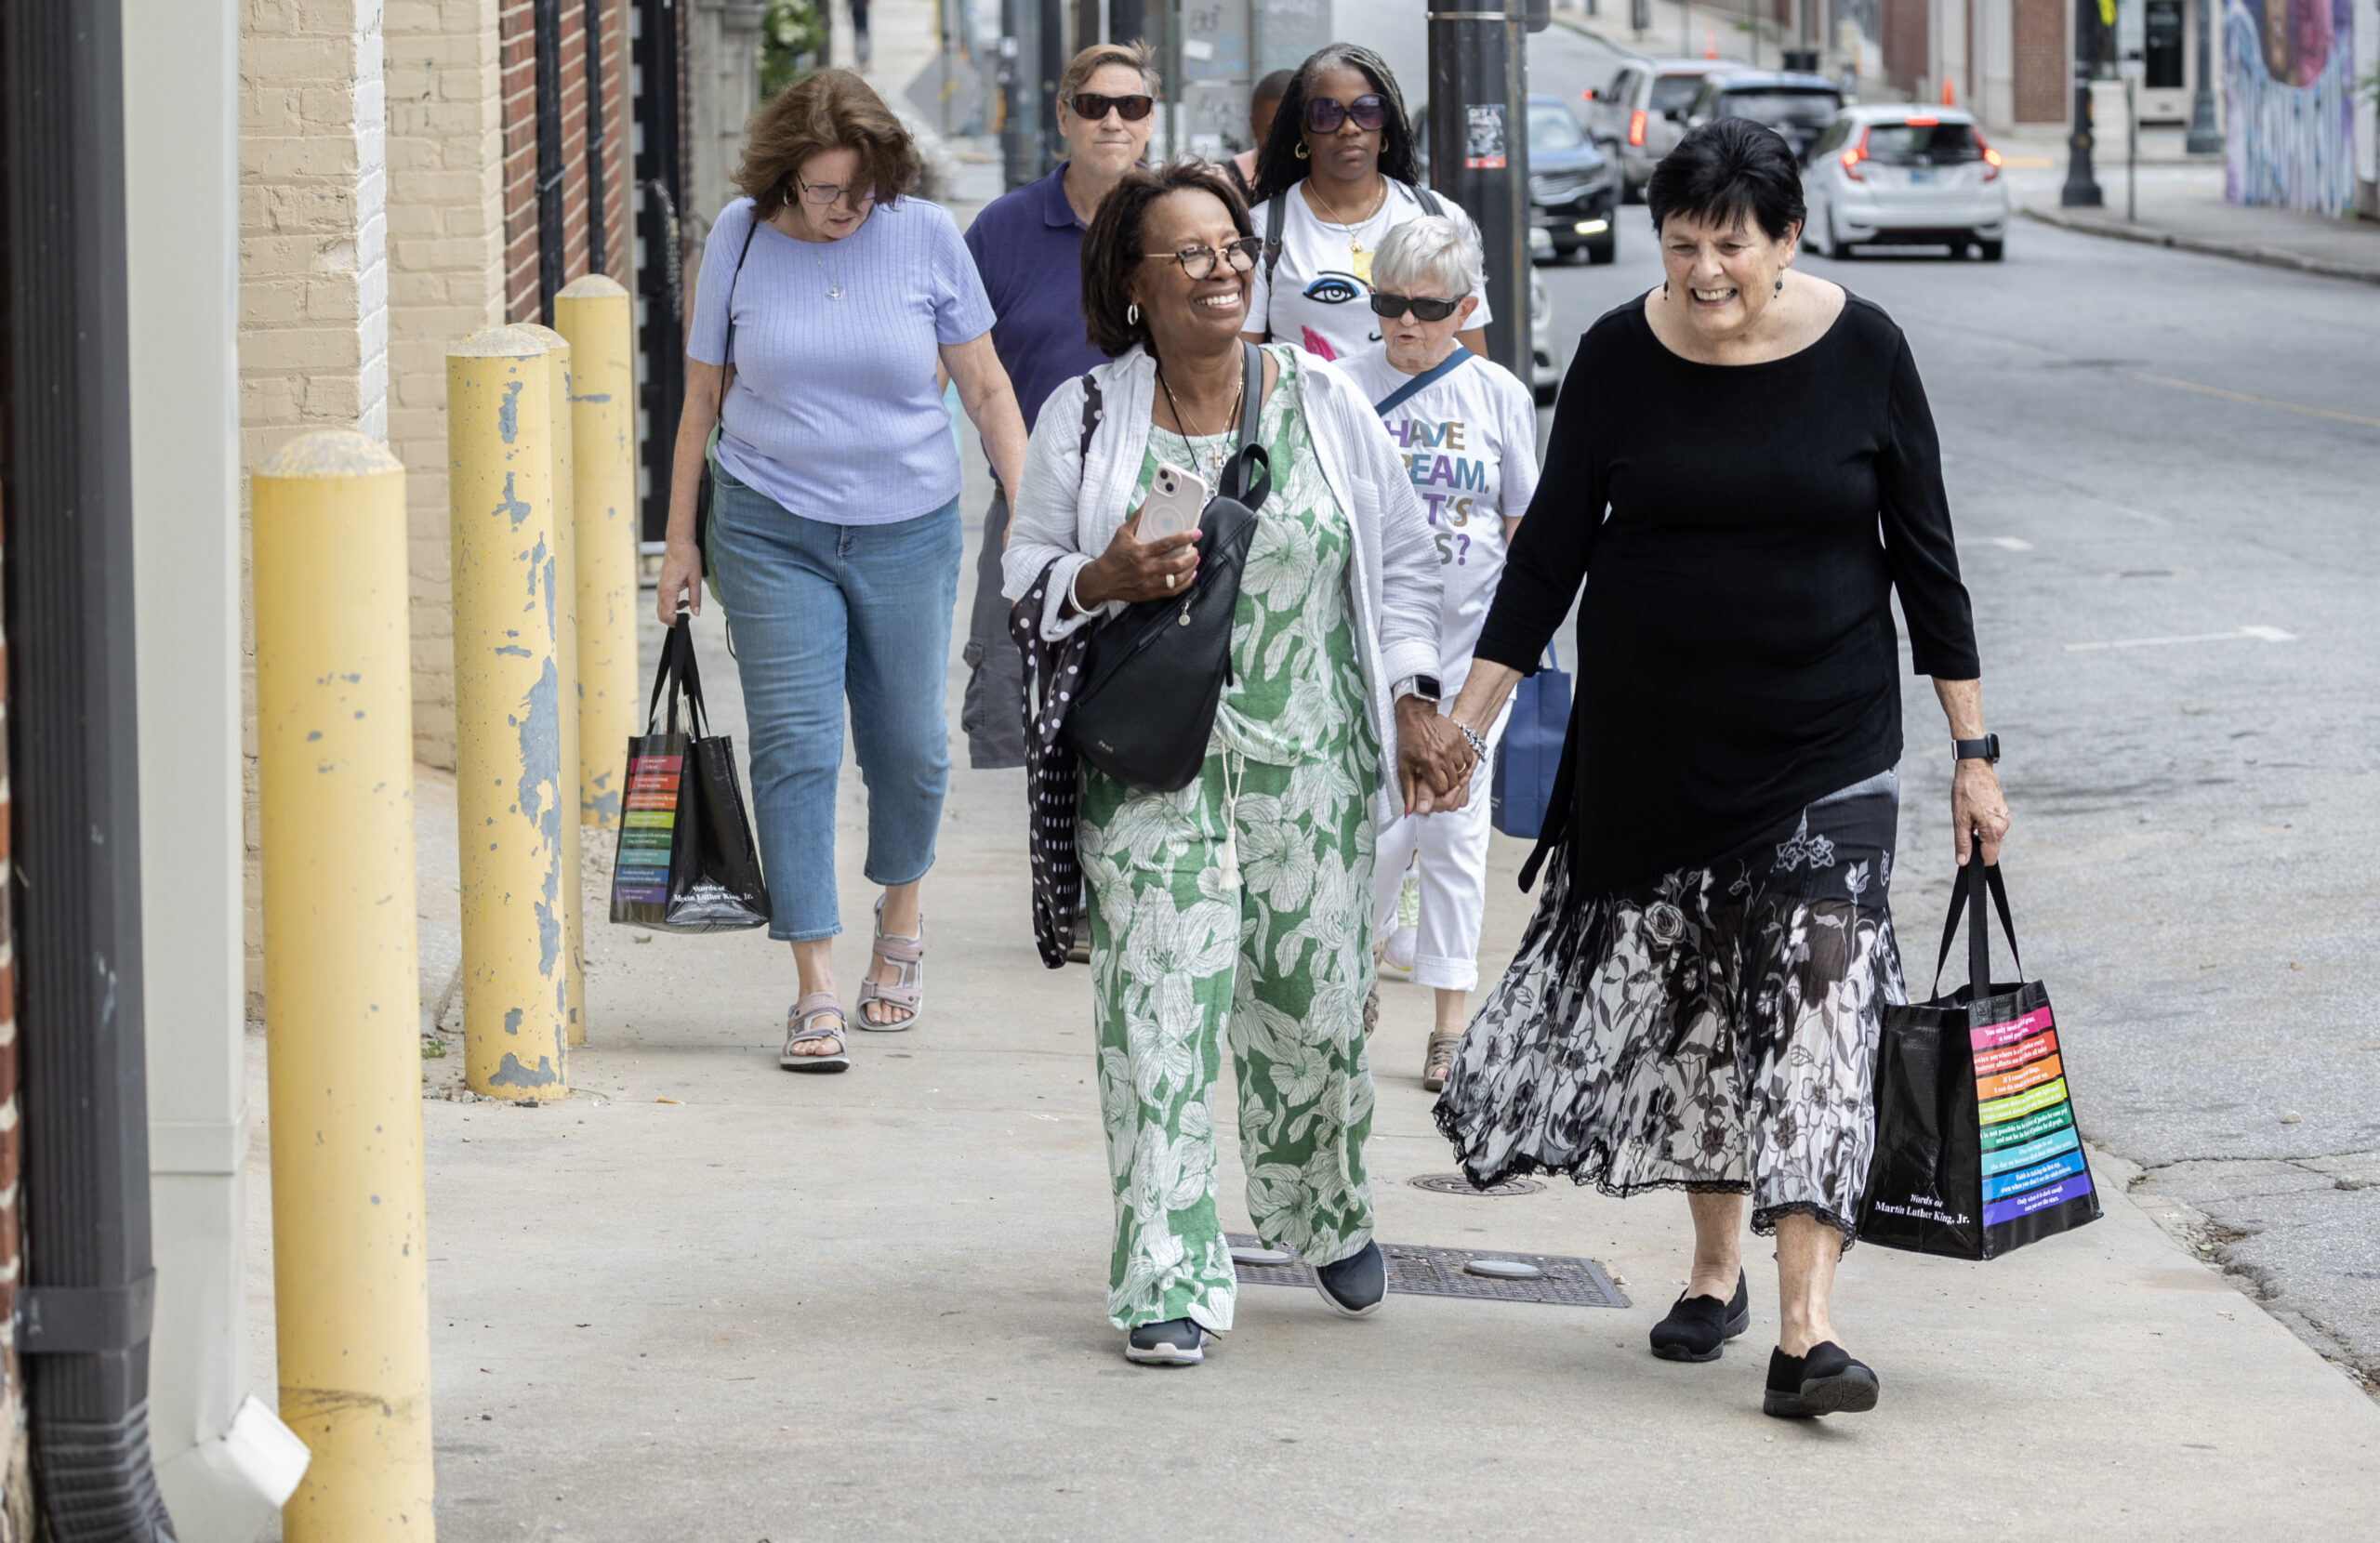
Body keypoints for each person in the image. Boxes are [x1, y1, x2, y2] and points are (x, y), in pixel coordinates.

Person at [1431, 119, 2010, 1419]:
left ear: (1788, 240)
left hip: (1829, 745)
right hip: (1657, 750)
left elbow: (1929, 561)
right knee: (1703, 1014)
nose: (1703, 274)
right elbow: (1546, 564)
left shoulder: (1865, 352)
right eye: (1682, 246)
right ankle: (1712, 1269)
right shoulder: (1615, 359)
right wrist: (1470, 722)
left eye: (1730, 249)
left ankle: (1807, 1332)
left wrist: (1974, 752)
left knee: (1817, 1010)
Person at [1002, 160, 1461, 1366]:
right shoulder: (1087, 417)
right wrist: (1099, 578)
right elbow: (1023, 577)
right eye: (1189, 253)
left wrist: (1417, 699)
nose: (1222, 268)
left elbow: (1404, 563)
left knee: (1309, 1010)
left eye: (1232, 247)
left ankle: (1319, 1204)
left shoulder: (1324, 403)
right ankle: (1166, 1269)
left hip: (1313, 766)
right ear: (1135, 286)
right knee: (1160, 1009)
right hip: (1155, 763)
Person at [658, 70, 1027, 1071]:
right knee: (795, 746)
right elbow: (699, 400)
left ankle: (900, 915)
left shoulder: (923, 237)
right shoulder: (735, 237)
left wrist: (1033, 516)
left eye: (861, 191)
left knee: (909, 746)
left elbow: (986, 386)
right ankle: (813, 980)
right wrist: (680, 540)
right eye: (824, 192)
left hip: (908, 526)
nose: (844, 211)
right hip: (769, 526)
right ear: (784, 177)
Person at [1337, 217, 1538, 1093]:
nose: (1406, 324)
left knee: (1453, 835)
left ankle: (1450, 1024)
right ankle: (1348, 976)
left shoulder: (1498, 395)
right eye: (1388, 305)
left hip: (1470, 666)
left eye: (1426, 308)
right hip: (1365, 657)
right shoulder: (1340, 390)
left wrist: (1521, 649)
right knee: (1375, 828)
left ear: (1464, 308)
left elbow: (1523, 525)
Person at [959, 41, 1159, 772]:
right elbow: (951, 375)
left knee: (1154, 707)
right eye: (1094, 105)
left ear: (1149, 120)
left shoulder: (1172, 222)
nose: (1113, 120)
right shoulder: (1001, 231)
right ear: (1064, 118)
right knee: (1023, 726)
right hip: (1029, 507)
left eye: (1131, 106)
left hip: (1155, 502)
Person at [1241, 44, 1491, 366]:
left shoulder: (1442, 218)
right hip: (1311, 415)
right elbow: (1244, 368)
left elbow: (1473, 367)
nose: (1349, 127)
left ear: (1384, 122)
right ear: (1304, 128)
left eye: (1367, 110)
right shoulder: (1262, 231)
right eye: (1327, 113)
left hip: (1417, 418)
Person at [1221, 68, 1294, 204]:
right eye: (1273, 131)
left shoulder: (1326, 179)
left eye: (1294, 129)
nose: (1285, 141)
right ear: (1254, 127)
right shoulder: (1227, 182)